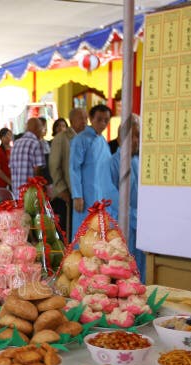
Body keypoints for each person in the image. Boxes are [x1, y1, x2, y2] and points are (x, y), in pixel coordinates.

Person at [109, 114, 145, 281]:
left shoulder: (139, 161)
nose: (136, 140)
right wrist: (136, 216)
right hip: (123, 226)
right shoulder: (112, 163)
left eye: (139, 135)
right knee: (124, 273)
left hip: (141, 225)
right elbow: (113, 199)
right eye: (132, 136)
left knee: (142, 271)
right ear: (119, 139)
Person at [69, 104, 112, 234]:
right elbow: (74, 168)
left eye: (106, 120)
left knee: (99, 231)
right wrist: (77, 195)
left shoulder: (103, 140)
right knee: (84, 231)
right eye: (99, 119)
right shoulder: (80, 139)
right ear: (91, 119)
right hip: (86, 195)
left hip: (102, 194)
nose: (102, 123)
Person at [49, 108, 87, 237]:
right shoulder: (61, 138)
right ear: (71, 121)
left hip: (82, 193)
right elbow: (54, 166)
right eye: (80, 118)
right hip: (66, 194)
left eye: (86, 118)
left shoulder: (86, 138)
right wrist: (62, 189)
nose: (84, 121)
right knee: (67, 232)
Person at [9, 117, 45, 192]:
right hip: (30, 193)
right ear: (37, 129)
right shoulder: (36, 143)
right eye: (42, 129)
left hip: (16, 191)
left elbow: (11, 167)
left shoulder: (15, 144)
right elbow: (38, 169)